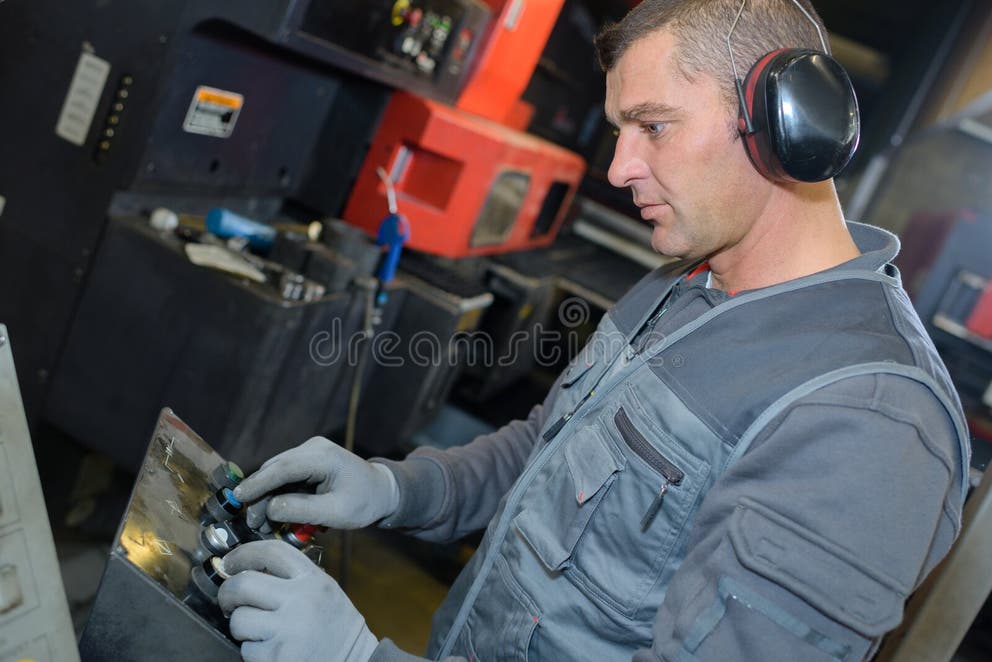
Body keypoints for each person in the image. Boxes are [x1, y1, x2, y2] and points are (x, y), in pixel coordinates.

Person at [216, 1, 970, 660]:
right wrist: (394, 488)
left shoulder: (869, 419)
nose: (618, 168)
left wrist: (357, 656)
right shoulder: (681, 282)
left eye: (653, 126)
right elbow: (548, 451)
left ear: (786, 122)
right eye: (619, 130)